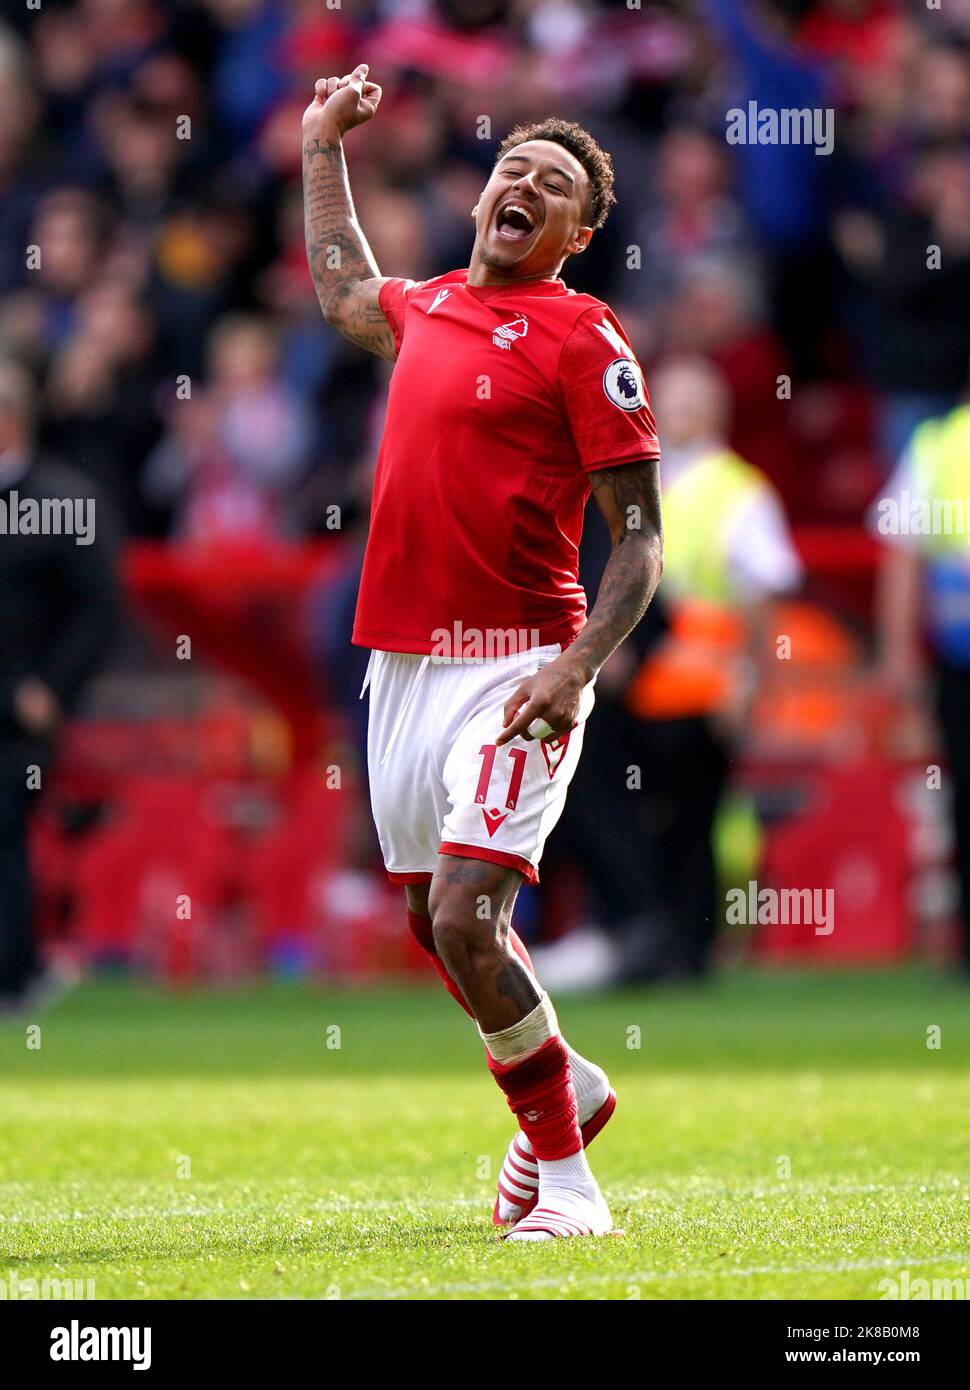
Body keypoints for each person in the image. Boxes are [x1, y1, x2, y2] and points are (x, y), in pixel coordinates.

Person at [303, 65, 663, 1240]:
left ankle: (566, 1180)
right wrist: (321, 149)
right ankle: (571, 1079)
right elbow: (344, 285)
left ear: (579, 231)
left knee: (465, 915)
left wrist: (576, 667)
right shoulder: (430, 306)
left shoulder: (583, 333)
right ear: (483, 195)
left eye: (553, 183)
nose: (525, 182)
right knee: (436, 925)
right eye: (514, 165)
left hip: (518, 661)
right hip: (402, 662)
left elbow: (640, 540)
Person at [623, 357, 802, 979]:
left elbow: (761, 596)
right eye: (669, 397)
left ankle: (689, 955)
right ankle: (651, 944)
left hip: (702, 690)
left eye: (691, 398)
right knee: (647, 823)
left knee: (696, 824)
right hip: (640, 692)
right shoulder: (642, 476)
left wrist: (748, 682)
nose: (677, 411)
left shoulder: (737, 490)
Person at [0, 359, 119, 1012]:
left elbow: (100, 604)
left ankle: (14, 975)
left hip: (19, 712)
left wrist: (52, 685)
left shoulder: (59, 501)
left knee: (5, 832)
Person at [871, 392, 970, 978]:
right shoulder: (937, 446)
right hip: (958, 660)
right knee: (961, 794)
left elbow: (901, 557)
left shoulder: (937, 445)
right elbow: (904, 553)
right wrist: (899, 657)